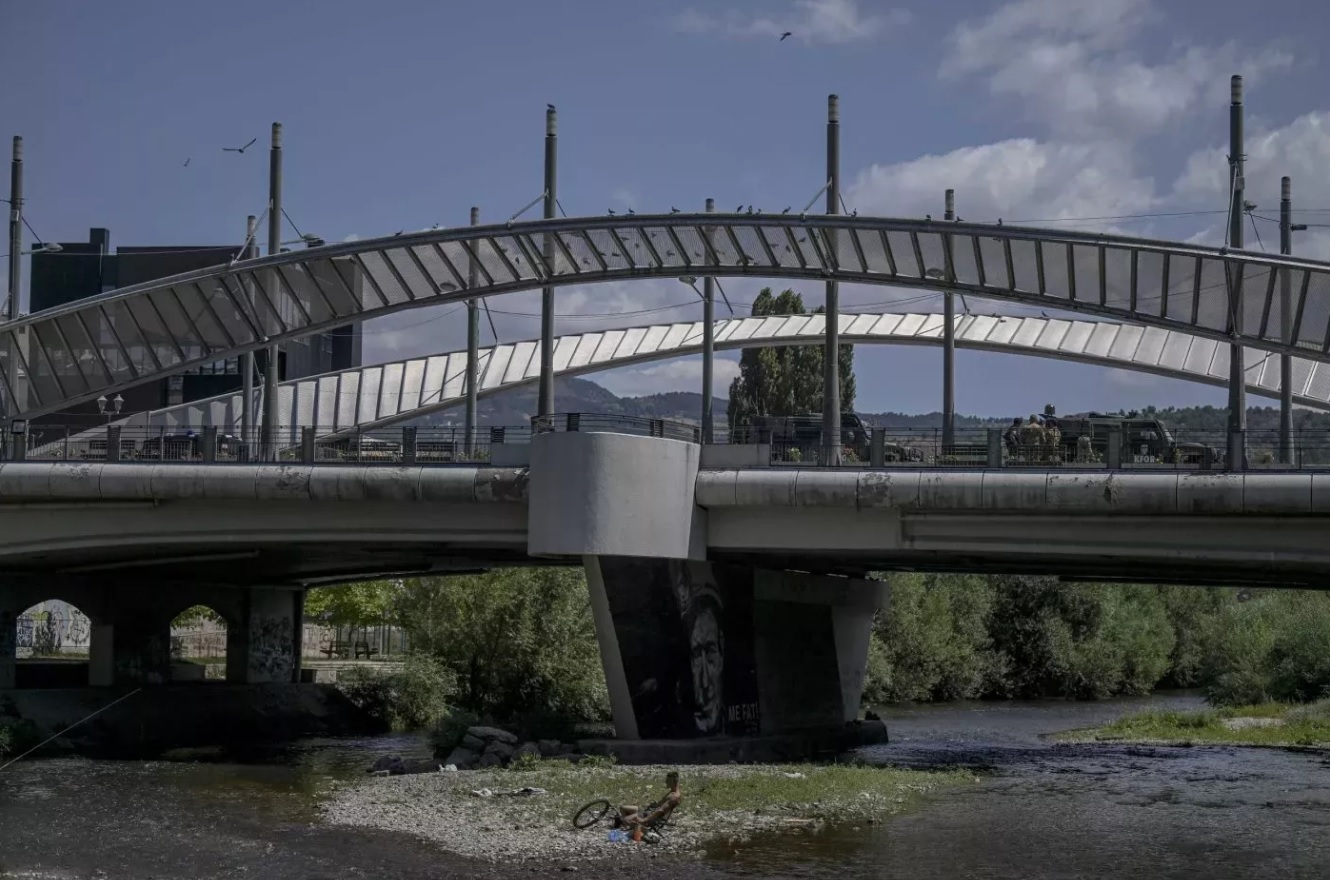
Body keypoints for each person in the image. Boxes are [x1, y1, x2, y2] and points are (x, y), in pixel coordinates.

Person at [618, 771, 683, 842]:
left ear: (674, 782)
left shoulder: (674, 796)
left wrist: (644, 820)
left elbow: (660, 810)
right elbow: (659, 805)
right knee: (623, 808)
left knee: (626, 819)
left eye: (668, 781)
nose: (666, 782)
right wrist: (654, 804)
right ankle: (635, 829)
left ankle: (643, 832)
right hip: (648, 812)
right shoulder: (672, 792)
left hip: (651, 817)